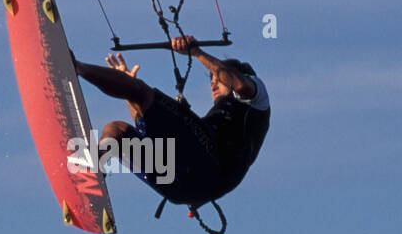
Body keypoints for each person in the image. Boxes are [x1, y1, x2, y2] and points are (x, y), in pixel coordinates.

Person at [73, 35, 270, 211]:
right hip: (182, 187)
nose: (212, 84)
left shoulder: (257, 96)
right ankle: (91, 174)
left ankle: (77, 68)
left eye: (217, 78)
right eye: (211, 79)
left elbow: (240, 83)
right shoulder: (220, 125)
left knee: (142, 93)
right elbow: (148, 130)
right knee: (117, 132)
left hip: (207, 167)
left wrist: (195, 51)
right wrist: (128, 90)